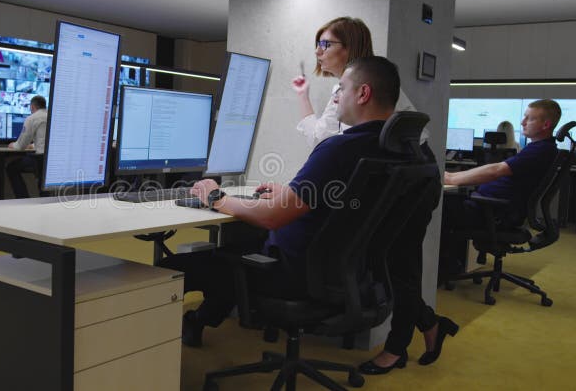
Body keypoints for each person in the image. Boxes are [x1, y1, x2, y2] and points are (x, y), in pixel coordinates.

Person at [162, 58, 454, 374]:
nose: (335, 96)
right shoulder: (399, 156)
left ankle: (157, 355)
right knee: (236, 248)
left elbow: (272, 218)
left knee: (174, 268)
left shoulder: (340, 149)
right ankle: (196, 323)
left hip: (289, 275)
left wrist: (216, 197)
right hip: (352, 277)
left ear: (363, 93)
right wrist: (290, 195)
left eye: (341, 88)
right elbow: (344, 205)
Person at [441, 100, 561, 278]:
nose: (522, 122)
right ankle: (450, 267)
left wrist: (452, 178)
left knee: (438, 207)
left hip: (493, 213)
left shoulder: (540, 150)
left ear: (546, 125)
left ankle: (445, 270)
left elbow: (497, 170)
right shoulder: (540, 148)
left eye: (529, 118)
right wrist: (454, 178)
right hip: (494, 209)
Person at [291, 17, 374, 147]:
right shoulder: (342, 89)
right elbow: (319, 138)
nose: (317, 51)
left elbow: (318, 140)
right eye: (318, 44)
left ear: (350, 47)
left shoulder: (353, 92)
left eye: (326, 45)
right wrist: (303, 94)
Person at [6, 95, 48, 198]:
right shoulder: (51, 115)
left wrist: (12, 145)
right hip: (52, 158)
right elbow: (45, 139)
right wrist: (33, 145)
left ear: (32, 107)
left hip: (40, 159)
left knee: (11, 168)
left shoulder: (32, 118)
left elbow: (20, 146)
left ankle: (23, 198)